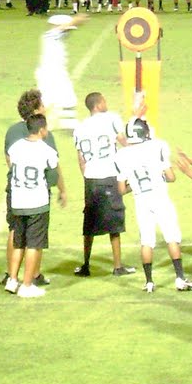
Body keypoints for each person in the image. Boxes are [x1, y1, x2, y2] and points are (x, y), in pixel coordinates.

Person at [114, 116, 192, 293]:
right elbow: (171, 177)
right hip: (160, 197)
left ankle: (149, 282)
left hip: (141, 200)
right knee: (171, 237)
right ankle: (180, 279)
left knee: (146, 241)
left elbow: (121, 189)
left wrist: (136, 185)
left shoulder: (121, 155)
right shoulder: (157, 146)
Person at [74, 92, 132, 277]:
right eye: (104, 100)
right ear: (98, 105)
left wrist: (88, 175)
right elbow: (124, 142)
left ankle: (86, 265)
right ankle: (117, 266)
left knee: (89, 222)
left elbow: (81, 159)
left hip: (91, 179)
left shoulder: (80, 128)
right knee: (114, 222)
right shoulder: (111, 118)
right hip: (109, 175)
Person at [6, 113, 59, 297]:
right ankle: (27, 285)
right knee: (34, 245)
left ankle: (12, 280)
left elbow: (11, 165)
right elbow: (52, 178)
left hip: (18, 201)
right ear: (42, 130)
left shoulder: (15, 147)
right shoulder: (47, 151)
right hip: (37, 203)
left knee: (18, 242)